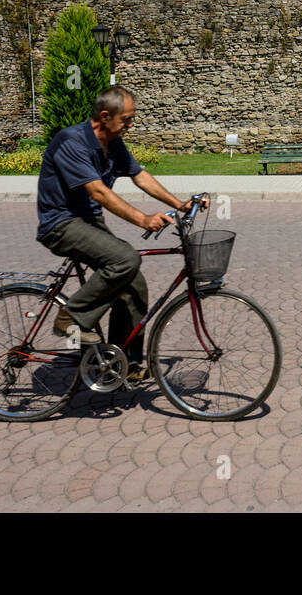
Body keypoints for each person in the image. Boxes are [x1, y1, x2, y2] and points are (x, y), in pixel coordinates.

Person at [34, 85, 197, 383]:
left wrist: (180, 204)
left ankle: (125, 364)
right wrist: (142, 219)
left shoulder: (113, 141)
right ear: (105, 116)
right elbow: (98, 192)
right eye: (127, 120)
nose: (130, 126)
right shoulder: (72, 142)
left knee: (134, 286)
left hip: (88, 222)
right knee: (125, 259)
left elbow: (140, 176)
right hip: (61, 224)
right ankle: (71, 317)